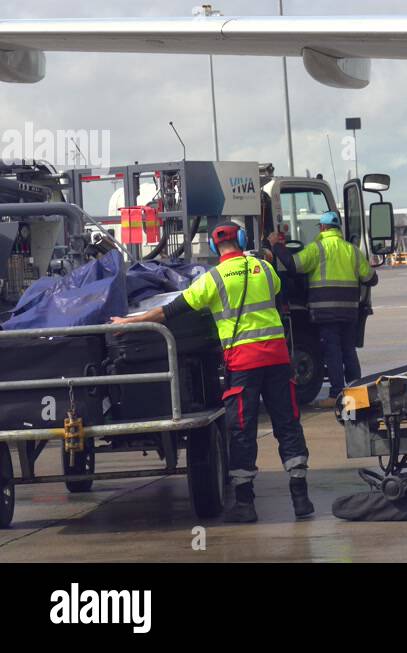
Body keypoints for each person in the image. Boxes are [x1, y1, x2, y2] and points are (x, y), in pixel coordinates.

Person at [112, 222, 314, 523]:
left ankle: (245, 505)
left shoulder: (212, 280)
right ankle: (301, 499)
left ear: (214, 248)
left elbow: (170, 311)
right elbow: (278, 288)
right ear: (242, 240)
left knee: (242, 432)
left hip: (243, 364)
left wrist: (131, 322)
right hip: (276, 359)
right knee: (288, 423)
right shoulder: (263, 269)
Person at [269, 210, 377, 409]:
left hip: (325, 311)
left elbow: (293, 265)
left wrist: (276, 246)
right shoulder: (352, 250)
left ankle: (336, 394)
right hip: (349, 312)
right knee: (349, 351)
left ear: (323, 228)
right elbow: (372, 278)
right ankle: (358, 395)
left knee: (332, 352)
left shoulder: (316, 249)